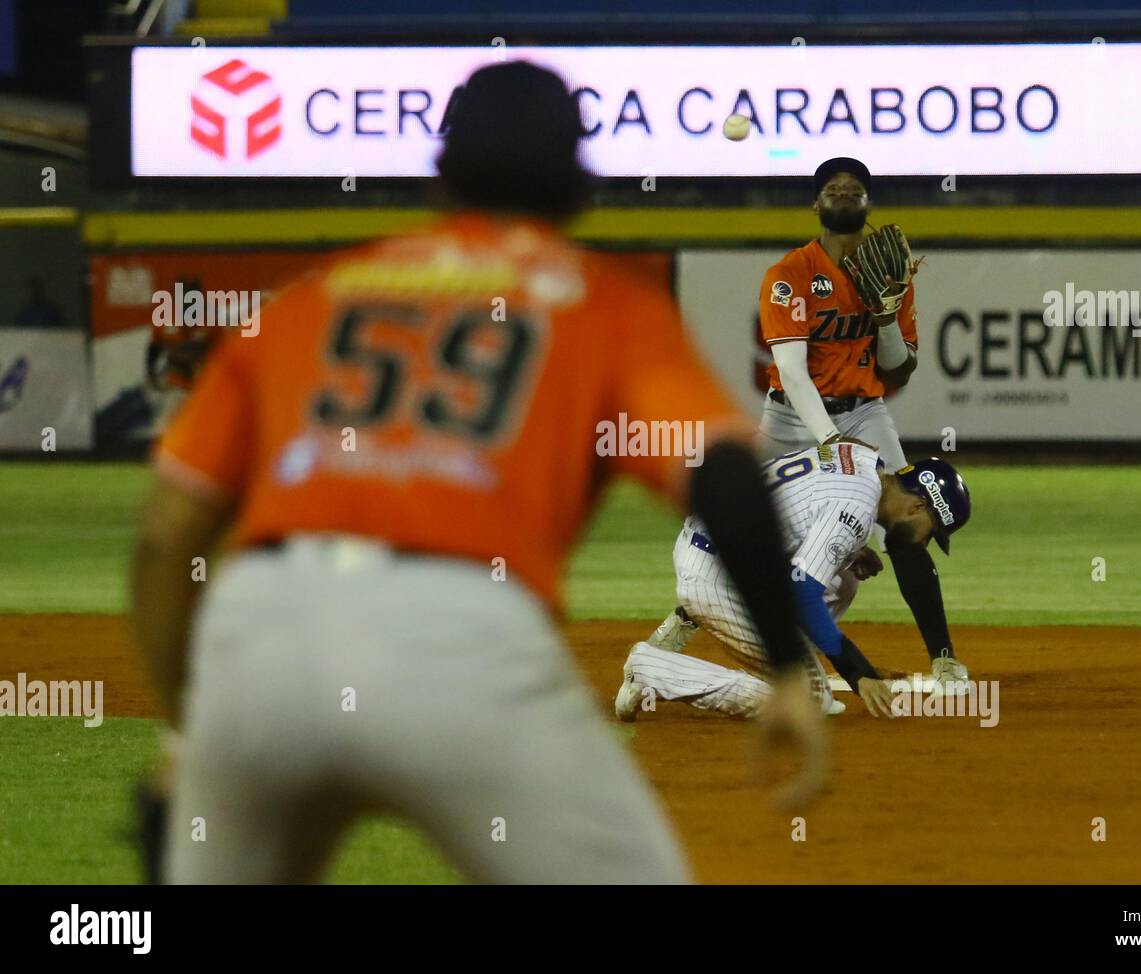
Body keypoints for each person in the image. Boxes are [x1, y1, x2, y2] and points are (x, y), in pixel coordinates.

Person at [130, 61, 825, 885]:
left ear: (440, 176)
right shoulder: (604, 306)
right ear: (578, 185)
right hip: (461, 642)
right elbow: (727, 478)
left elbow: (166, 535)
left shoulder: (312, 298)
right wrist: (783, 664)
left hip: (261, 637)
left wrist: (196, 727)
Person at [749, 157, 970, 690]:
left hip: (865, 412)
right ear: (815, 204)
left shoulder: (889, 272)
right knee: (738, 520)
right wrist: (831, 445)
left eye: (855, 188)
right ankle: (674, 632)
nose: (844, 193)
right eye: (833, 187)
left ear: (869, 203)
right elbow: (795, 377)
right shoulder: (789, 276)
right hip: (790, 416)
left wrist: (889, 315)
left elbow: (900, 368)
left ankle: (942, 658)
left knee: (907, 522)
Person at [616, 444, 971, 720]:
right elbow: (802, 591)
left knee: (845, 578)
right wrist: (857, 671)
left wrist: (847, 550)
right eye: (932, 533)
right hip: (717, 573)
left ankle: (776, 659)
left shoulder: (862, 458)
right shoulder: (856, 507)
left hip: (724, 547)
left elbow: (805, 505)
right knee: (809, 700)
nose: (923, 544)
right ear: (918, 508)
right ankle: (651, 668)